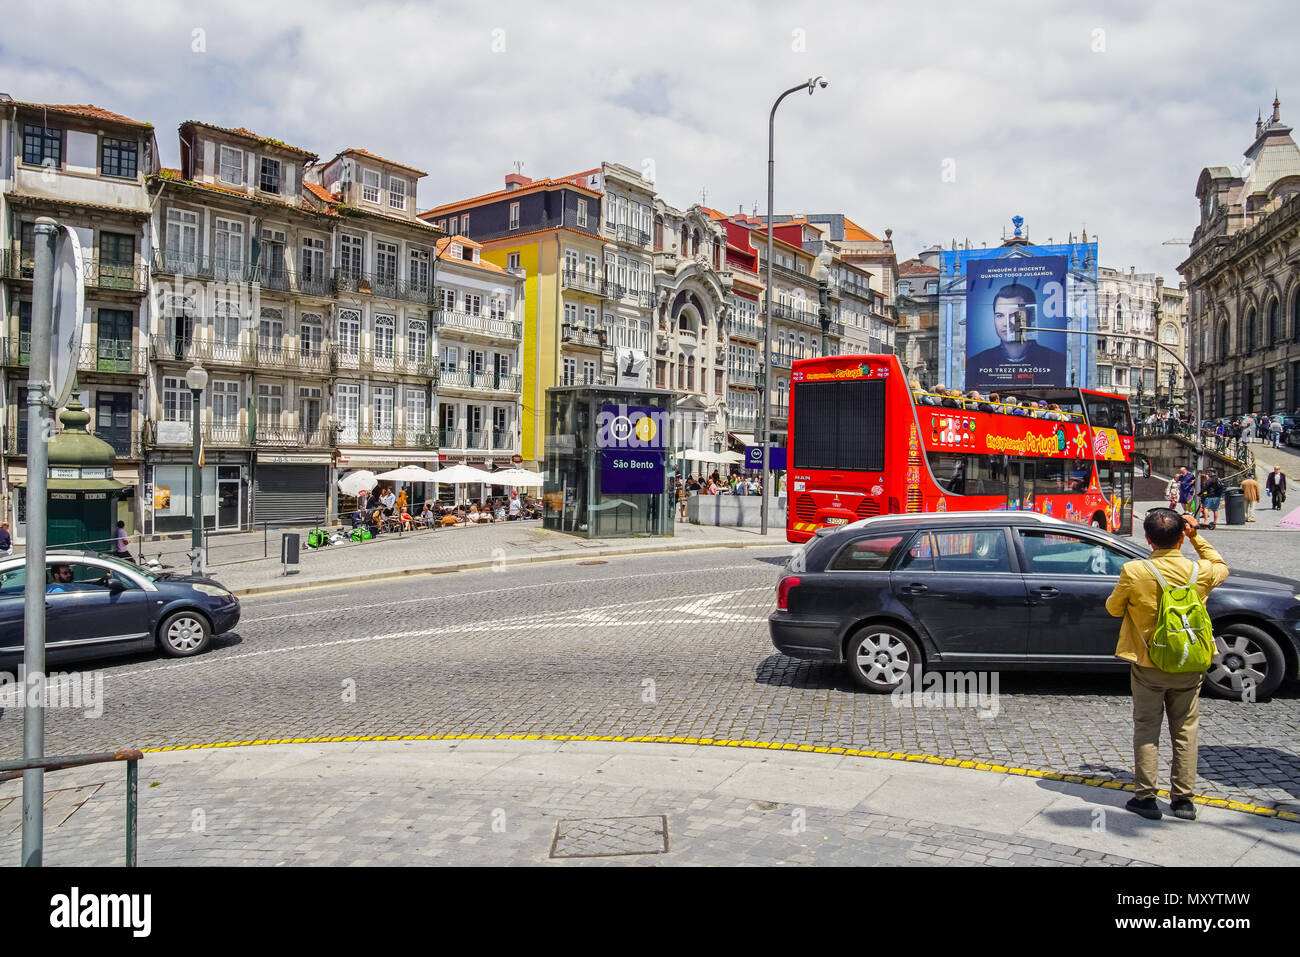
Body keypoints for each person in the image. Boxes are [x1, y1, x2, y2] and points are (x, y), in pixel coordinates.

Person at [1106, 510, 1228, 821]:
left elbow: (1113, 608)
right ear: (1180, 537)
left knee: (1147, 728)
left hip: (1149, 662)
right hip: (1190, 662)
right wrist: (1196, 536)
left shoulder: (1135, 571)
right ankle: (1183, 801)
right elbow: (1221, 566)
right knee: (1186, 729)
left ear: (1147, 538)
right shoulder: (1198, 571)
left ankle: (1146, 797)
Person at [967, 282, 1065, 384]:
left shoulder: (1056, 361)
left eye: (1014, 315)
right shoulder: (976, 363)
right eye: (1000, 315)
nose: (1005, 323)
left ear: (1030, 317)